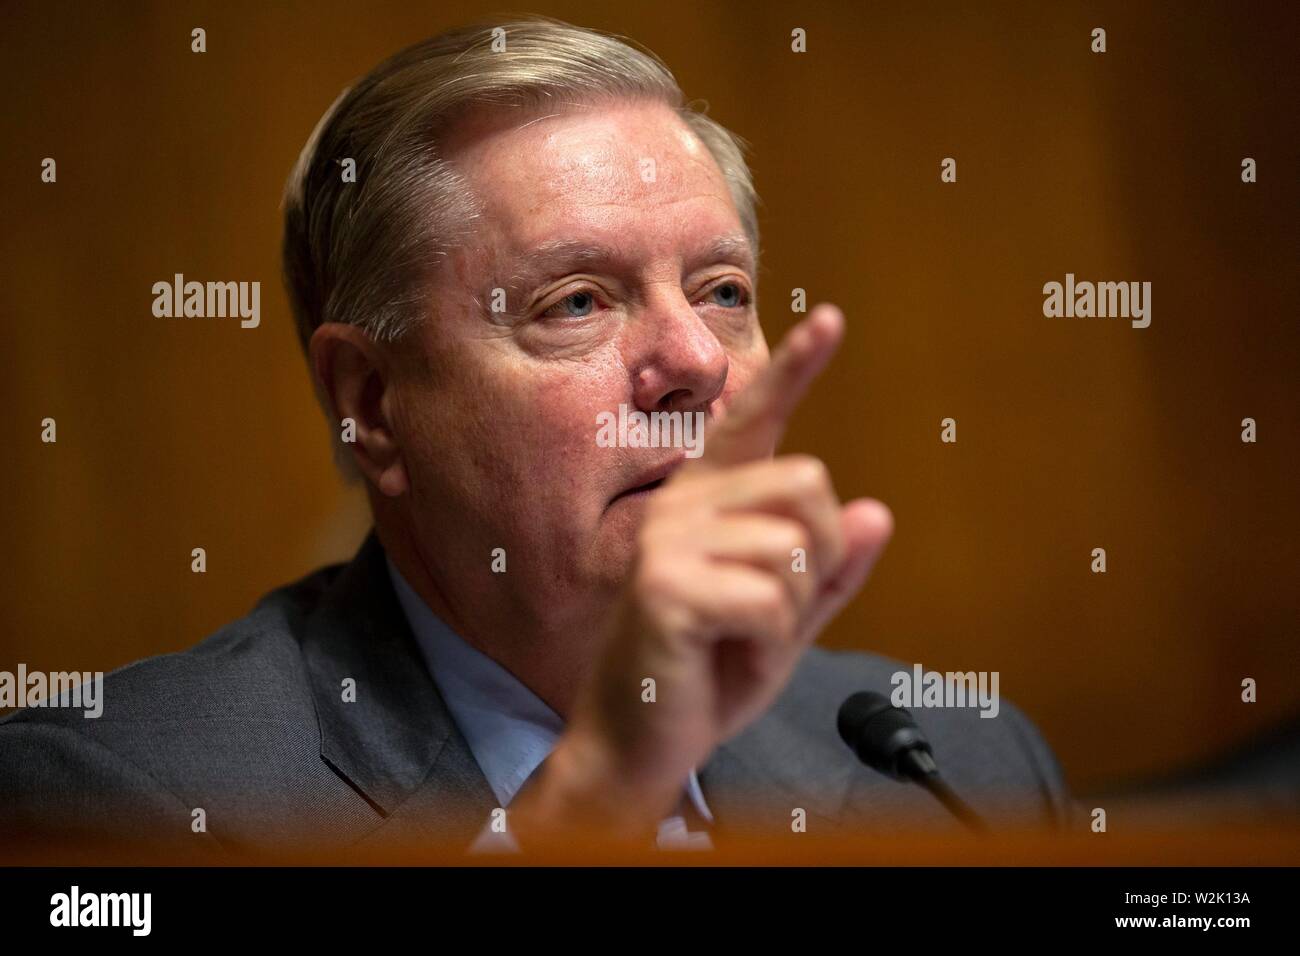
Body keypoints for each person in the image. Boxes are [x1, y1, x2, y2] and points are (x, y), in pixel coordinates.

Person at [0, 16, 1070, 861]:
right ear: (371, 401)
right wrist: (598, 792)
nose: (695, 359)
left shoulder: (958, 766)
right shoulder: (125, 797)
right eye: (575, 303)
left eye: (724, 290)